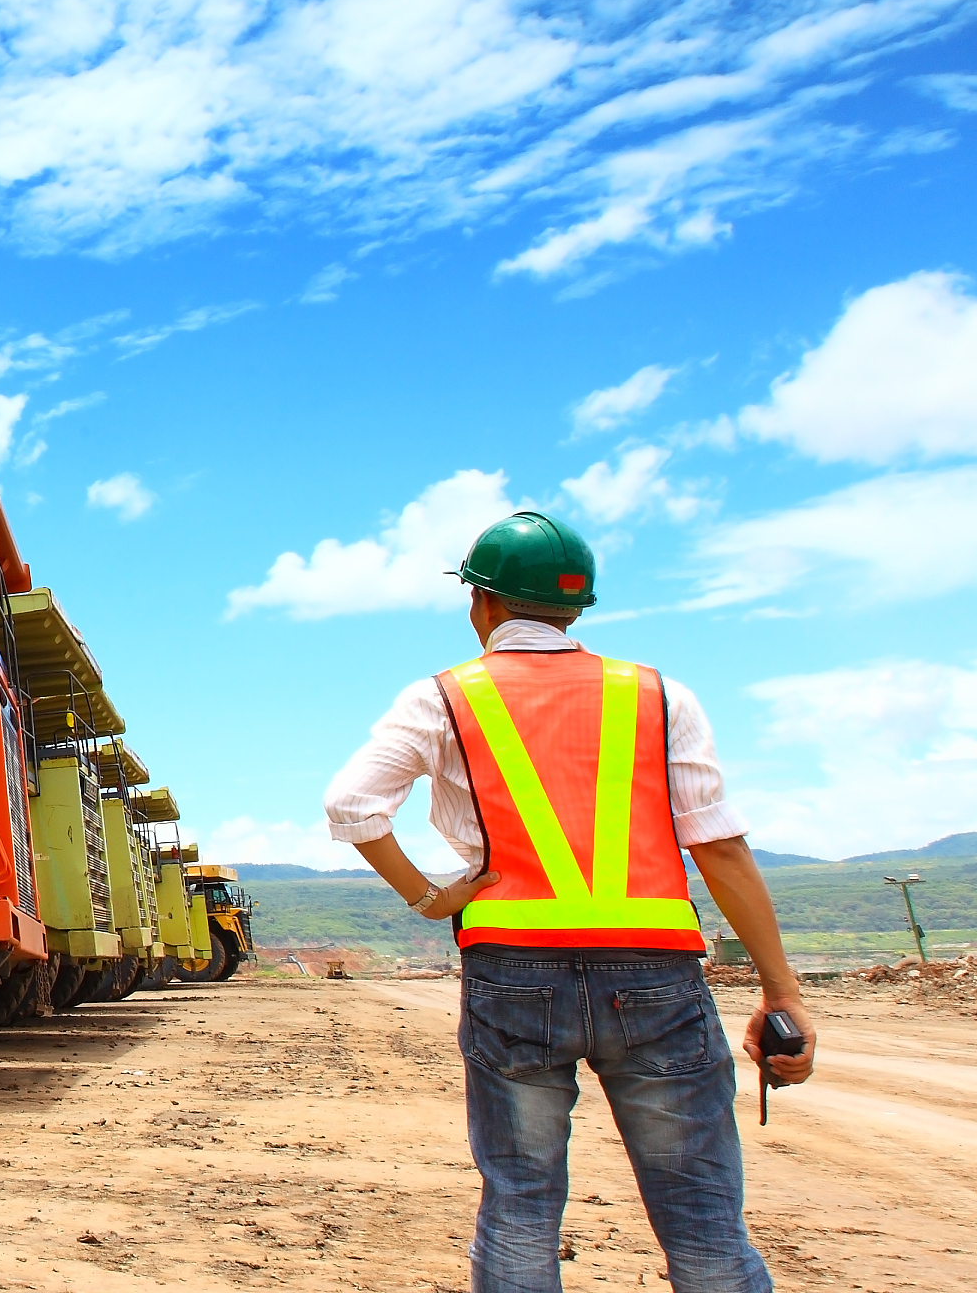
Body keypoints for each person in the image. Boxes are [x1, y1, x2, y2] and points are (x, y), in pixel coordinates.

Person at [322, 510, 814, 1293]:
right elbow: (720, 848)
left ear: (480, 602)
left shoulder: (441, 698)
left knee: (520, 1204)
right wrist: (781, 992)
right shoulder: (657, 695)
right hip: (656, 974)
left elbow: (352, 806)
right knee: (702, 1218)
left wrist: (428, 898)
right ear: (576, 608)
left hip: (513, 973)